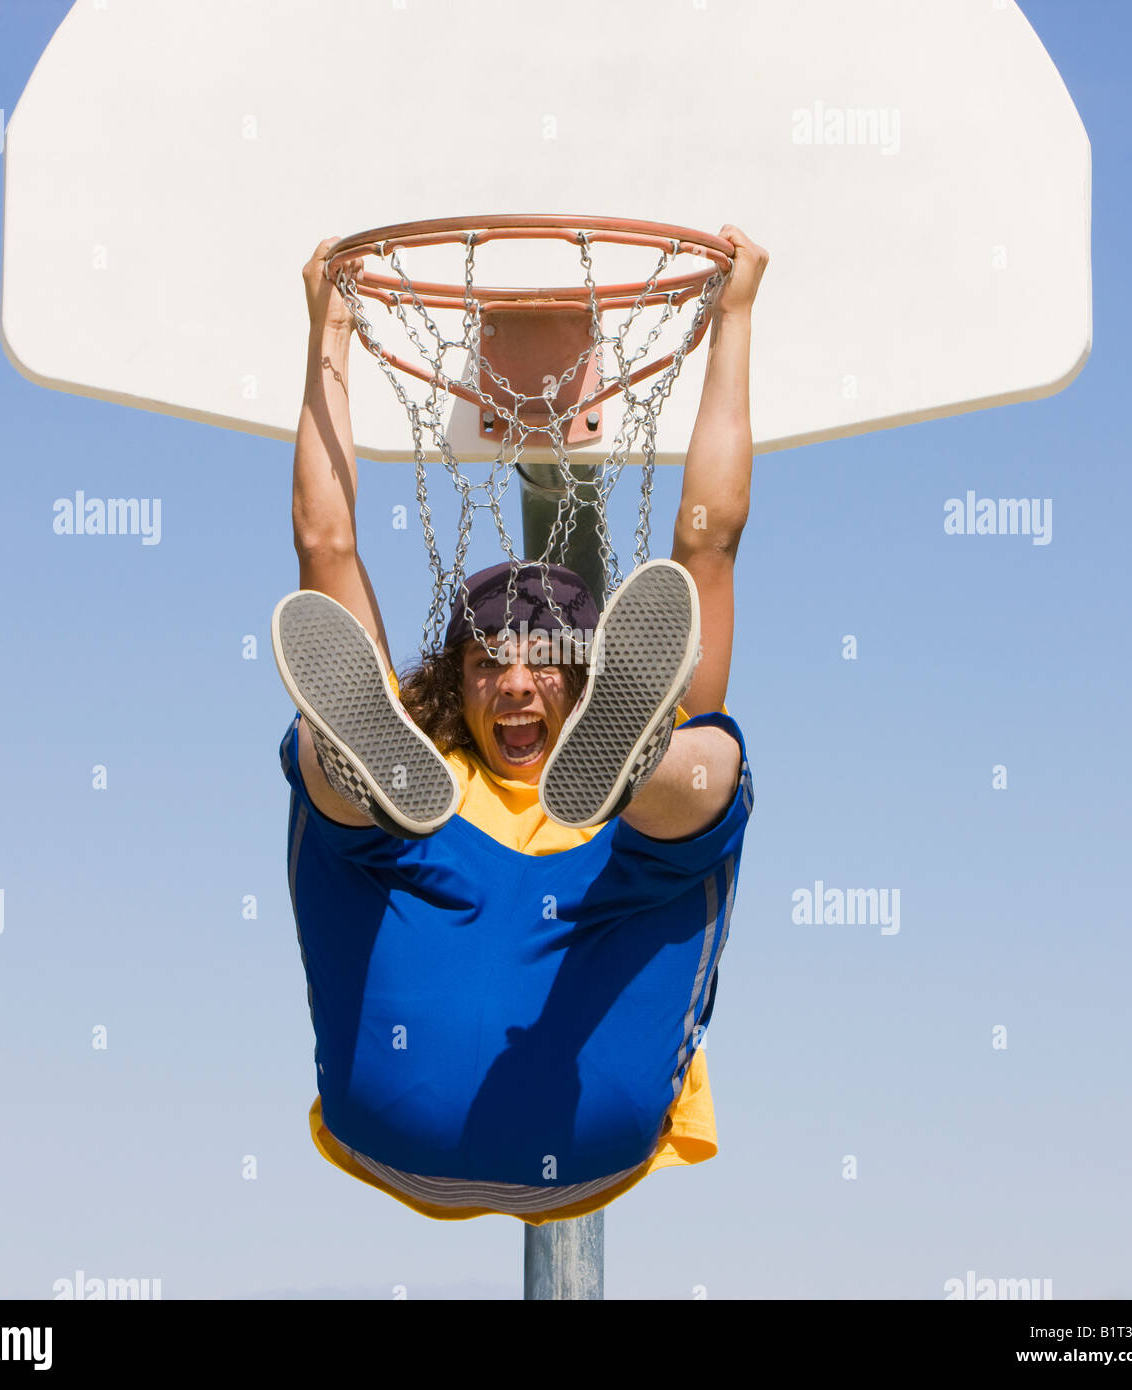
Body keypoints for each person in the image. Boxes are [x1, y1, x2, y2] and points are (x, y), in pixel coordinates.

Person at [273, 225, 767, 1223]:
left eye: (545, 662)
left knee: (703, 762)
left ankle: (640, 768)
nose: (514, 683)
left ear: (584, 688)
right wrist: (327, 324)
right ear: (454, 682)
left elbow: (707, 545)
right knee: (348, 786)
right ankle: (356, 765)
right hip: (492, 1116)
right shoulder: (433, 772)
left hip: (534, 1118)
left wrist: (735, 320)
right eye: (489, 661)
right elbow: (324, 540)